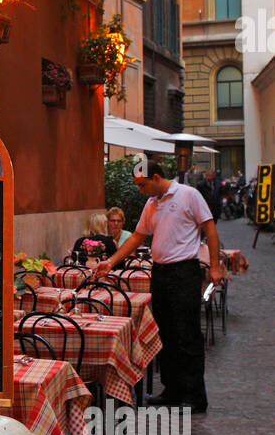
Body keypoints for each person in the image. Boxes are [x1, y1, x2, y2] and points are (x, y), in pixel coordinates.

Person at [94, 162, 222, 413]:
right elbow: (136, 237)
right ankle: (171, 391)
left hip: (184, 272)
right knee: (166, 334)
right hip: (161, 273)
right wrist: (110, 262)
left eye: (143, 185)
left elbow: (210, 229)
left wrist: (215, 266)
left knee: (187, 334)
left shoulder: (188, 195)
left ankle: (195, 396)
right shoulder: (152, 203)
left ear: (155, 177)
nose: (141, 191)